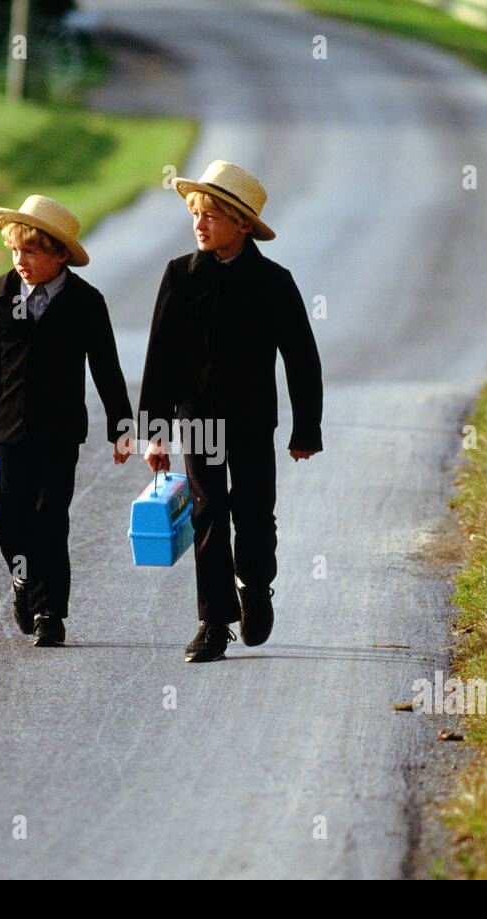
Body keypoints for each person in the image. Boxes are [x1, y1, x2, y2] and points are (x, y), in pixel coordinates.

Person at [138, 161, 323, 662]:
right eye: (195, 214)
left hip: (251, 419)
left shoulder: (273, 281)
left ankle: (257, 586)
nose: (199, 224)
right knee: (208, 513)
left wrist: (307, 427)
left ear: (243, 224)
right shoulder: (179, 276)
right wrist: (154, 432)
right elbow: (160, 358)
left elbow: (302, 358)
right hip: (197, 419)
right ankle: (214, 621)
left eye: (211, 216)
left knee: (254, 512)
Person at [0, 195, 134, 647]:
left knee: (51, 518)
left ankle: (50, 613)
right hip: (12, 430)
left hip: (60, 432)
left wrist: (122, 427)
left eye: (31, 252)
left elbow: (106, 368)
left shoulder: (85, 303)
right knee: (13, 522)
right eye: (15, 251)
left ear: (59, 254)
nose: (21, 261)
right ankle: (24, 583)